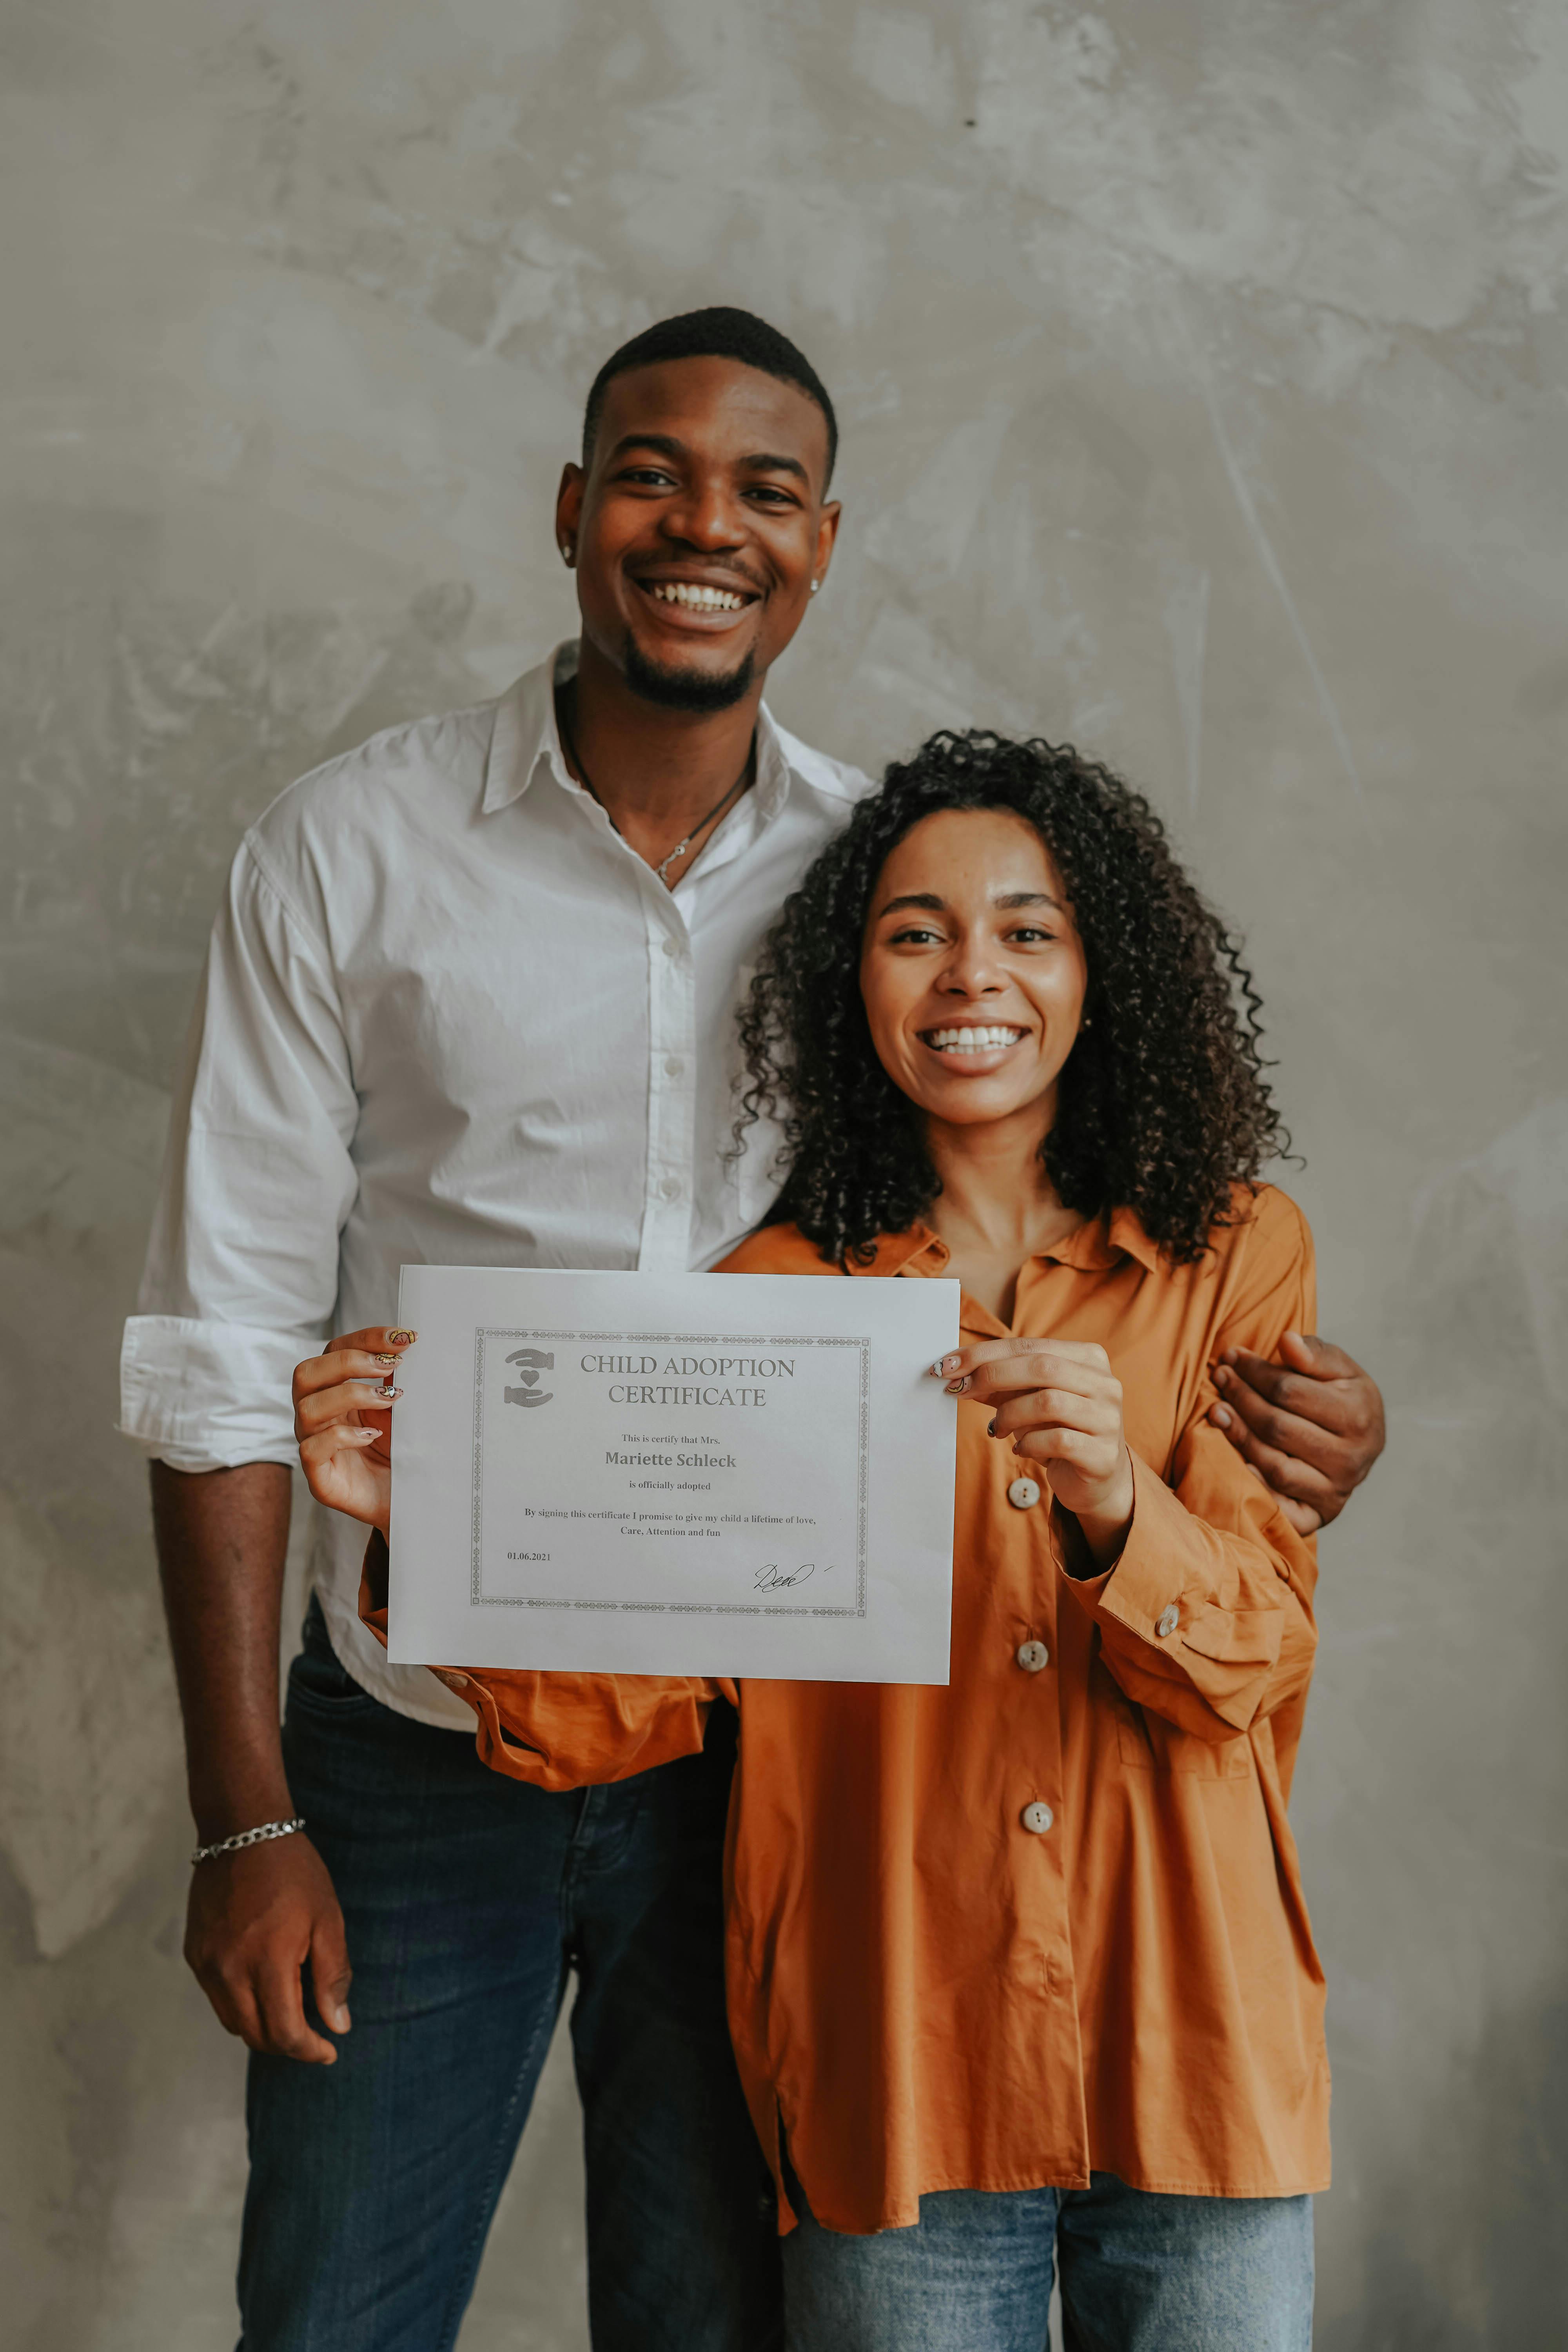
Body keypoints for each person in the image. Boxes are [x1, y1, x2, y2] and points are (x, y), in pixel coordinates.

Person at [127, 307, 1381, 2350]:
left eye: (764, 489)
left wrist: (1274, 1444)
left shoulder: (893, 867)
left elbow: (1232, 1531)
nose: (703, 525)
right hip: (454, 1747)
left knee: (708, 2317)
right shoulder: (351, 856)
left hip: (788, 1793)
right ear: (571, 509)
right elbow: (219, 1342)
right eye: (650, 471)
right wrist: (300, 1714)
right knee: (339, 2310)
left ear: (820, 545)